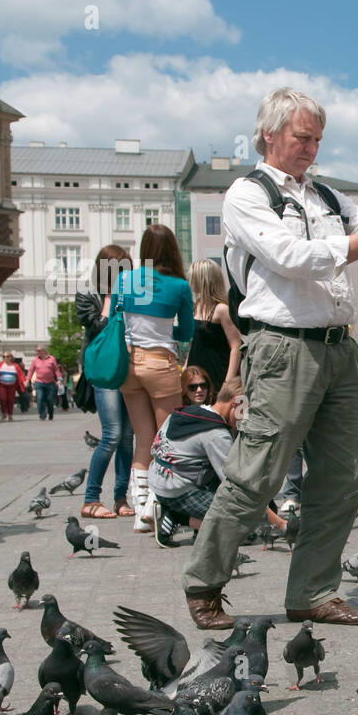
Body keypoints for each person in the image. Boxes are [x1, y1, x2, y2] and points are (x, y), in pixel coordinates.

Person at [182, 86, 358, 630]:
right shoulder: (245, 194)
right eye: (303, 138)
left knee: (339, 477)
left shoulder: (327, 197)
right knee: (256, 475)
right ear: (269, 135)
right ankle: (204, 583)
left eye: (318, 140)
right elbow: (292, 257)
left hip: (338, 350)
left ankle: (313, 592)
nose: (311, 149)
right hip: (281, 348)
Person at [110, 223, 194, 533]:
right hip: (160, 363)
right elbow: (186, 331)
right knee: (167, 437)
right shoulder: (179, 286)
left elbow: (113, 321)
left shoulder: (124, 279)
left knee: (143, 436)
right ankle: (152, 505)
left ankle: (139, 507)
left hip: (129, 365)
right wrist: (162, 330)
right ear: (172, 250)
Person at [149, 378, 283, 548]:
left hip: (159, 478)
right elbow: (235, 484)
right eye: (246, 412)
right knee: (244, 532)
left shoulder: (191, 412)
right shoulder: (216, 434)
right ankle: (175, 516)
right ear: (235, 403)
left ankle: (196, 522)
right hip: (178, 490)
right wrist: (280, 524)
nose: (246, 419)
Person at [76, 244, 136, 519]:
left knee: (126, 438)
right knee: (111, 434)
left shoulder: (134, 294)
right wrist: (112, 296)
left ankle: (120, 498)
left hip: (130, 368)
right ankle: (90, 498)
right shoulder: (88, 296)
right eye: (118, 268)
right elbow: (97, 327)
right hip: (104, 370)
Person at [186, 259, 243, 392]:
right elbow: (195, 342)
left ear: (203, 280)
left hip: (216, 373)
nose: (191, 282)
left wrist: (228, 381)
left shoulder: (221, 309)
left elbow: (236, 346)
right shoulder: (196, 306)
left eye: (194, 278)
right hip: (196, 372)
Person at [27, 346, 59, 421]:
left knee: (50, 400)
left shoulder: (52, 359)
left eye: (39, 350)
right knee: (39, 398)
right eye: (36, 351)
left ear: (44, 351)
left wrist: (59, 379)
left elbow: (56, 370)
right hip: (39, 382)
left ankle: (50, 413)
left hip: (50, 382)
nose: (37, 352)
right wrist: (28, 380)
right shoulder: (35, 360)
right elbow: (31, 370)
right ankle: (42, 414)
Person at [0, 352, 25, 422]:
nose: (5, 358)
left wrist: (24, 381)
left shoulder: (15, 366)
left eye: (7, 356)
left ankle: (10, 415)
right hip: (2, 385)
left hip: (12, 385)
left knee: (10, 400)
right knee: (2, 399)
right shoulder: (0, 365)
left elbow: (21, 374)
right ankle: (3, 413)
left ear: (11, 358)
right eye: (4, 357)